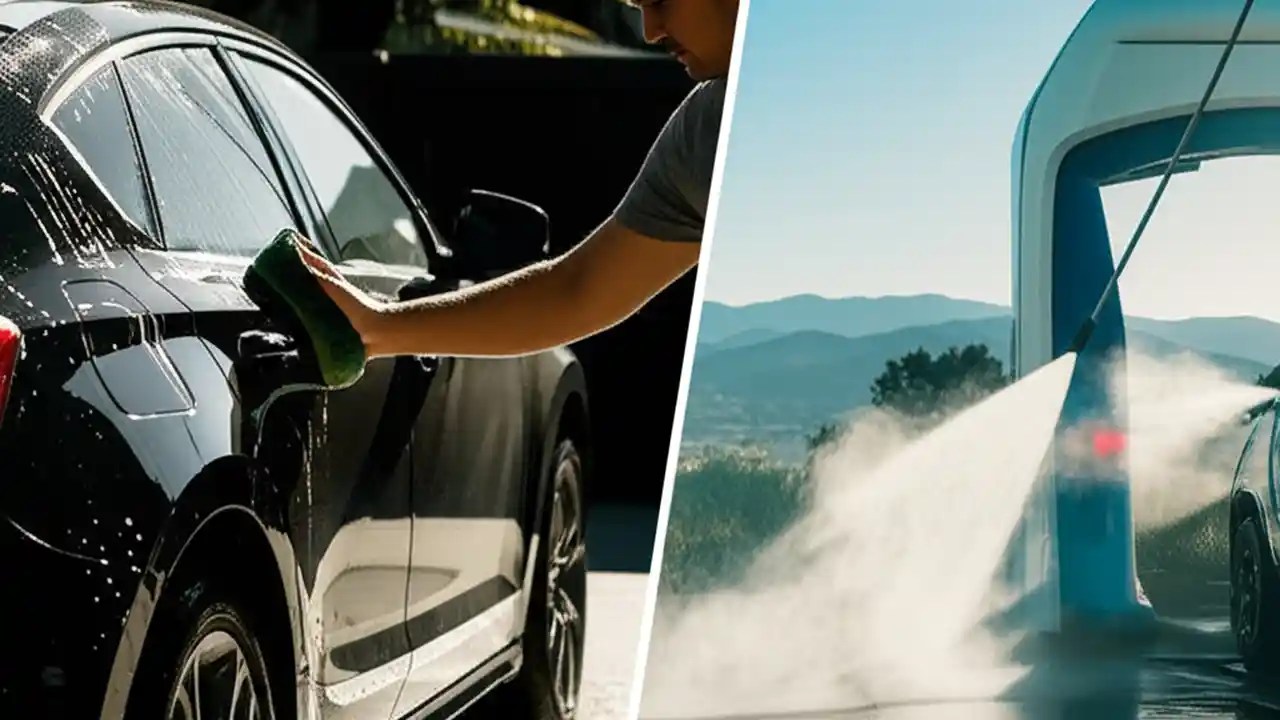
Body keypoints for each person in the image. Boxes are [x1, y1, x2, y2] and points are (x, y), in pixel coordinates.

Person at [296, 0, 740, 359]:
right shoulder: (701, 132)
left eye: (660, 1)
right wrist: (378, 327)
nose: (650, 31)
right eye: (637, 6)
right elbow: (577, 290)